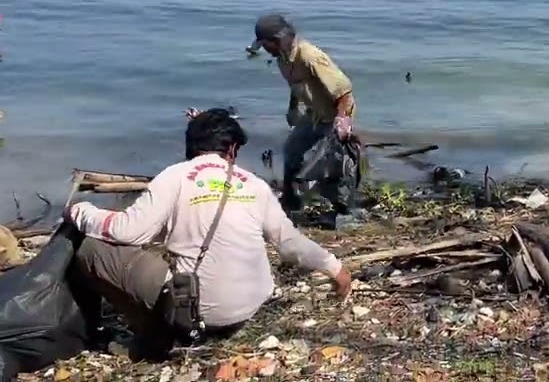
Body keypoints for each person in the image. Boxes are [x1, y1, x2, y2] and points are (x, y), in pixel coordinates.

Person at [66, 109, 351, 360]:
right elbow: (289, 242)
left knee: (91, 250)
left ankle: (152, 338)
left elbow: (127, 231)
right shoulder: (254, 185)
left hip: (197, 314)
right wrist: (335, 268)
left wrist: (80, 212)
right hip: (248, 309)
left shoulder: (175, 177)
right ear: (232, 150)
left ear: (190, 145)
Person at [249, 13, 360, 218]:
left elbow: (344, 92)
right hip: (314, 113)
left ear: (276, 40)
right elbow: (296, 85)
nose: (264, 49)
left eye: (265, 45)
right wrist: (293, 108)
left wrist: (343, 121)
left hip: (336, 113)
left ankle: (345, 212)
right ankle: (291, 200)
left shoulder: (310, 56)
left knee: (337, 164)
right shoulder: (283, 59)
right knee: (292, 150)